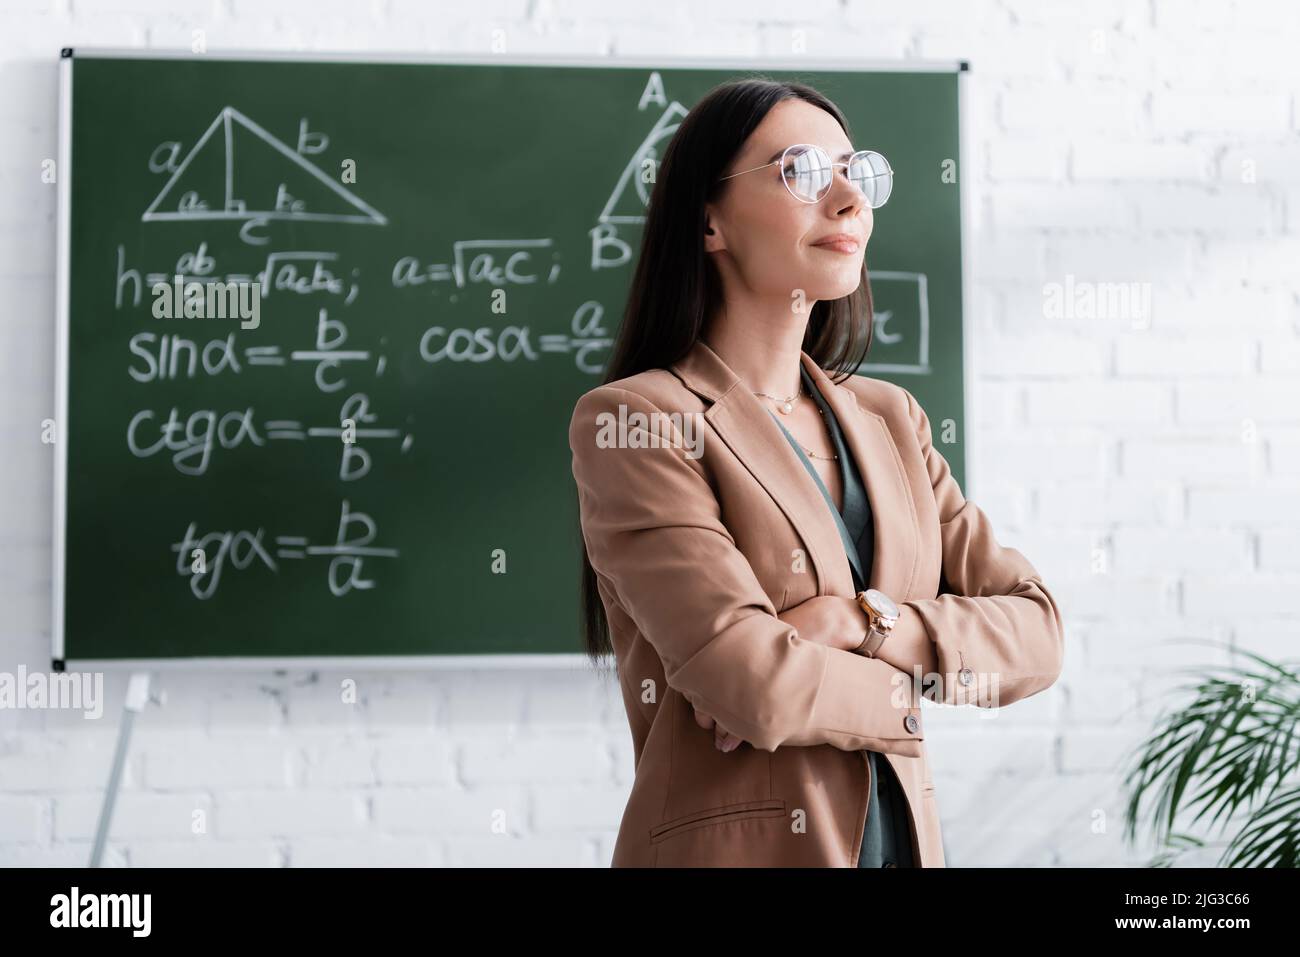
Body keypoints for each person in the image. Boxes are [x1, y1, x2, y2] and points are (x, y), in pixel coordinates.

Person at [569, 78, 1065, 867]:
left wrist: (858, 622)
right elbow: (751, 688)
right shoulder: (639, 420)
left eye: (855, 172)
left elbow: (1036, 635)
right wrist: (923, 689)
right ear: (708, 219)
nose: (847, 201)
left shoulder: (890, 418)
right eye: (799, 171)